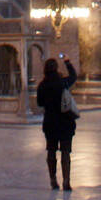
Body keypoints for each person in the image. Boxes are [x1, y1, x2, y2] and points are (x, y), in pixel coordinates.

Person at [36, 56, 77, 192]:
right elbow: (74, 76)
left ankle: (53, 180)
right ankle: (66, 181)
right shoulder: (62, 82)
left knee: (51, 151)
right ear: (56, 68)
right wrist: (67, 62)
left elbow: (40, 103)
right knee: (65, 152)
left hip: (50, 122)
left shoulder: (42, 85)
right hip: (65, 122)